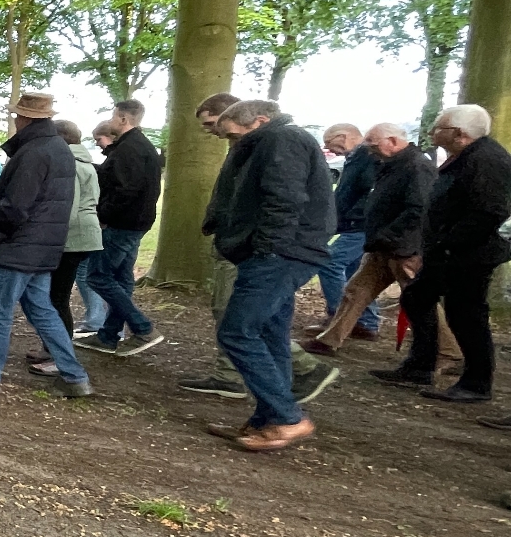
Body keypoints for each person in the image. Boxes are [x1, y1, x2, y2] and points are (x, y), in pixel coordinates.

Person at [177, 94, 337, 403]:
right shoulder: (268, 142)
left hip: (273, 253)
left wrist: (266, 250)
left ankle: (280, 412)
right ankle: (274, 412)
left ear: (259, 122)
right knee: (269, 329)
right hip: (263, 250)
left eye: (228, 131)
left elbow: (283, 199)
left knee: (237, 329)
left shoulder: (282, 141)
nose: (223, 137)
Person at [0, 92, 92, 398]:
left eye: (16, 115)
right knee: (43, 311)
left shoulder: (34, 152)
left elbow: (15, 205)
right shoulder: (58, 149)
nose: (14, 119)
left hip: (17, 247)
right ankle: (75, 376)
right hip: (42, 247)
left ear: (23, 118)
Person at [375, 104, 511, 404]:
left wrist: (450, 243)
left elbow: (489, 211)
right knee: (416, 297)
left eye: (439, 127)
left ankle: (476, 383)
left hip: (468, 253)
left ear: (460, 134)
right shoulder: (465, 157)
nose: (433, 132)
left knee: (467, 315)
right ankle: (420, 366)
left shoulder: (487, 160)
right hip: (446, 250)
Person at [304, 124, 458, 359]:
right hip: (383, 245)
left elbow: (419, 209)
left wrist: (390, 235)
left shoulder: (416, 166)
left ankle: (450, 351)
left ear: (393, 141)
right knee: (356, 292)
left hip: (403, 247)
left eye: (373, 145)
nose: (369, 150)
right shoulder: (391, 164)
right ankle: (329, 340)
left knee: (419, 300)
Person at [75, 99, 163, 357]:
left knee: (98, 276)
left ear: (124, 119)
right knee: (121, 280)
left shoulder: (130, 149)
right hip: (135, 224)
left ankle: (142, 327)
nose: (112, 122)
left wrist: (103, 215)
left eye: (114, 117)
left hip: (122, 225)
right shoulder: (137, 147)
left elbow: (126, 189)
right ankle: (108, 335)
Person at [29, 120, 102, 377]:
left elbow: (66, 208)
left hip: (72, 238)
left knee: (57, 298)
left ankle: (59, 357)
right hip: (82, 235)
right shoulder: (84, 161)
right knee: (56, 296)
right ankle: (51, 349)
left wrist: (50, 237)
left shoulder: (68, 163)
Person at [312, 122, 382, 339]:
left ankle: (339, 318)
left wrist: (348, 214)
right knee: (355, 272)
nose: (330, 150)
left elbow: (367, 189)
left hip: (359, 224)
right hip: (356, 223)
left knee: (329, 263)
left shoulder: (366, 156)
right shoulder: (356, 157)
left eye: (329, 143)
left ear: (343, 137)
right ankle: (366, 322)